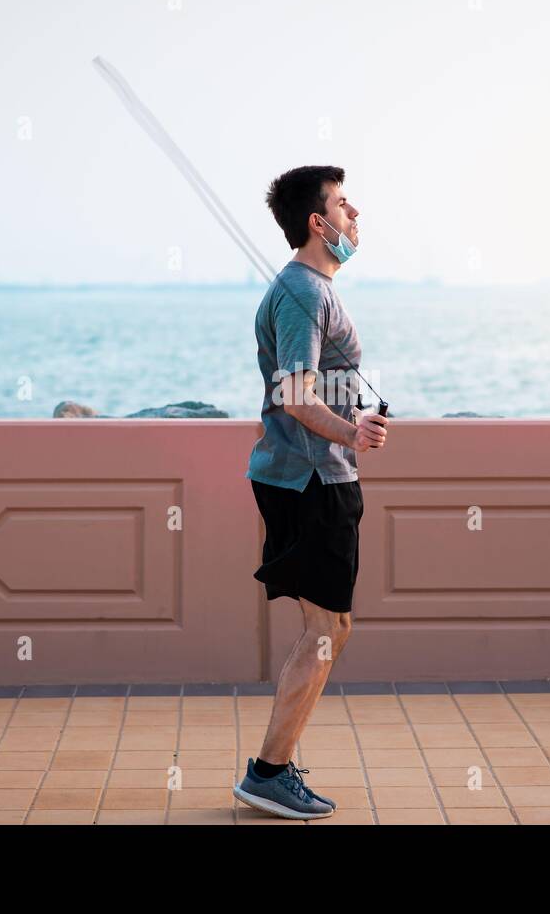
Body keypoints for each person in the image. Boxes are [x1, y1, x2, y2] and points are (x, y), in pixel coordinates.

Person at [234, 165, 390, 819]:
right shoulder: (304, 292)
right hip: (309, 479)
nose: (356, 213)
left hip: (322, 476)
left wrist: (355, 418)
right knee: (326, 627)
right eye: (342, 205)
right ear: (316, 224)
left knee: (333, 625)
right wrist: (352, 432)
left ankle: (277, 761)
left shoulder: (312, 289)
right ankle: (268, 771)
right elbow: (293, 393)